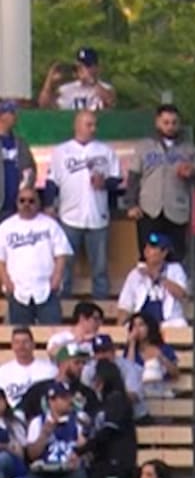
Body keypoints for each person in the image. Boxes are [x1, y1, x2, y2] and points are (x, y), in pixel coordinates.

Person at [46, 111, 119, 301]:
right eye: (88, 124)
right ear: (77, 125)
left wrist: (104, 183)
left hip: (98, 216)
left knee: (100, 266)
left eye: (95, 125)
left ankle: (101, 303)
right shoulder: (61, 151)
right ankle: (63, 302)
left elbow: (116, 180)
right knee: (65, 264)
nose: (93, 129)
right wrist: (49, 205)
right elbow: (52, 181)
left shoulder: (106, 151)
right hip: (69, 215)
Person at [124, 106, 195, 262]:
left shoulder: (189, 149)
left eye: (174, 122)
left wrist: (191, 173)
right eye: (166, 122)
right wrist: (131, 204)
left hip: (177, 211)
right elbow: (134, 177)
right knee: (148, 256)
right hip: (149, 210)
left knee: (175, 257)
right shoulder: (144, 146)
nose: (170, 126)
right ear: (157, 122)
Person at [0, 186, 71, 325]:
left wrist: (56, 279)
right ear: (16, 203)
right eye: (22, 200)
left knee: (52, 332)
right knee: (20, 332)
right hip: (18, 291)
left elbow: (61, 254)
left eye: (31, 201)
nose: (26, 204)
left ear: (38, 203)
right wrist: (6, 282)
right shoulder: (5, 227)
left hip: (46, 290)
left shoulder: (50, 225)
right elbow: (1, 259)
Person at [114, 233, 190, 329]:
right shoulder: (135, 274)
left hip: (169, 322)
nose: (147, 251)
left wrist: (158, 277)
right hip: (142, 323)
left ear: (164, 252)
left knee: (180, 325)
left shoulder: (175, 269)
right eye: (147, 247)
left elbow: (182, 295)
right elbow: (125, 305)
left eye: (153, 248)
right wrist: (118, 331)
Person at [38, 51, 115, 111]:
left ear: (96, 68)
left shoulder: (105, 88)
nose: (82, 70)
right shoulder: (66, 89)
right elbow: (43, 104)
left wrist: (91, 81)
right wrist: (49, 81)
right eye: (79, 67)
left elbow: (110, 101)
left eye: (87, 66)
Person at [0, 100, 37, 220]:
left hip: (16, 208)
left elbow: (30, 170)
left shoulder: (20, 143)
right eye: (12, 113)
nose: (16, 116)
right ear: (2, 116)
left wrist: (26, 185)